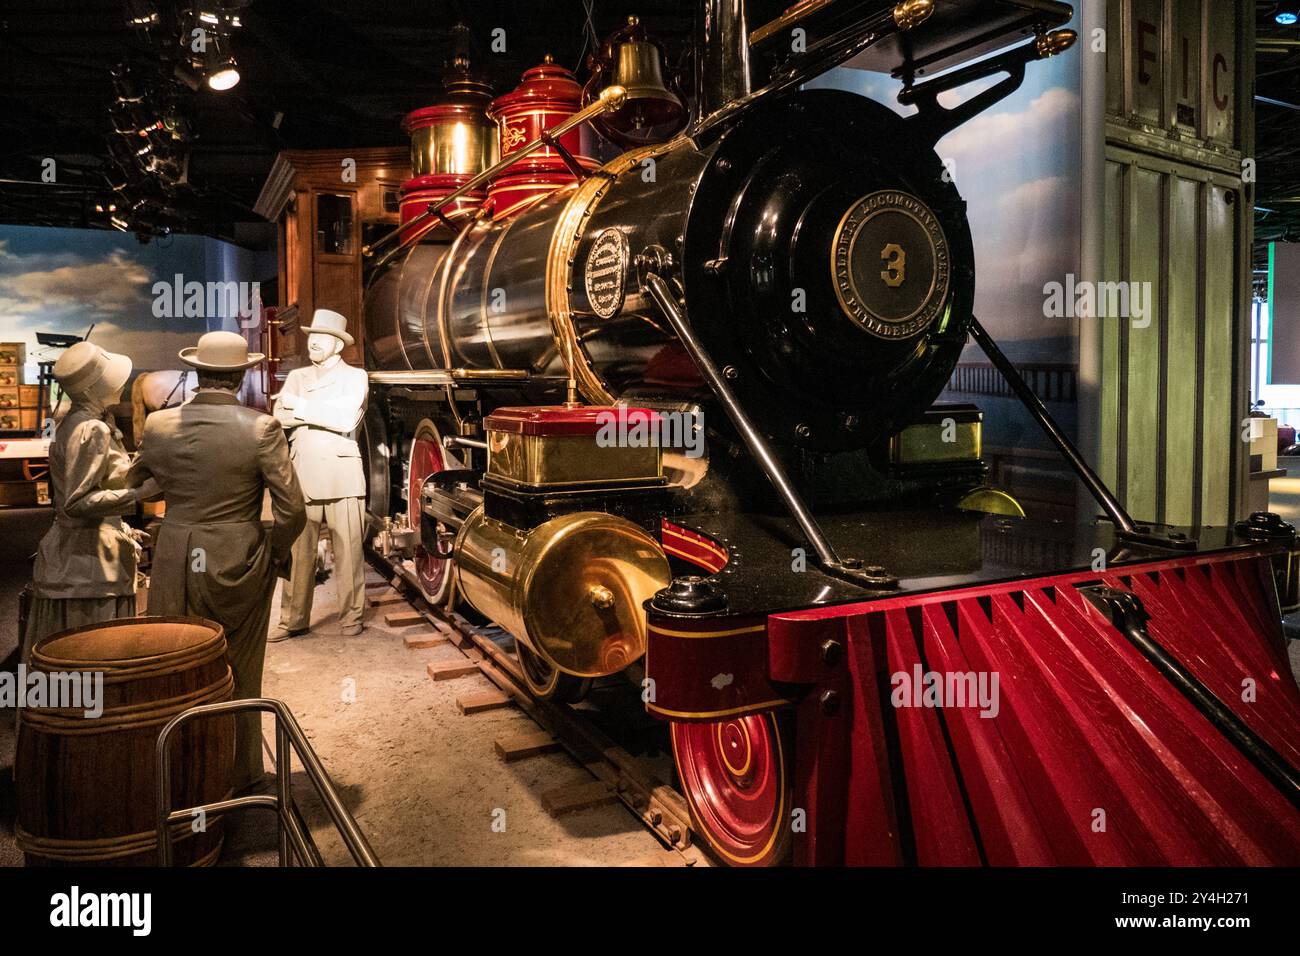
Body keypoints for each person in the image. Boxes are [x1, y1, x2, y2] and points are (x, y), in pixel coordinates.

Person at [127, 331, 305, 794]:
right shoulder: (261, 428)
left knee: (177, 665)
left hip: (175, 556)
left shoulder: (159, 425)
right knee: (240, 668)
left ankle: (183, 775)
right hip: (237, 557)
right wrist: (274, 552)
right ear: (240, 376)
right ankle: (240, 773)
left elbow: (138, 482)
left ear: (198, 374)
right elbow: (292, 510)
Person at [22, 342, 158, 661]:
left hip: (81, 554)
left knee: (74, 653)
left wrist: (121, 526)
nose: (120, 383)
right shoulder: (91, 429)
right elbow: (77, 502)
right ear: (95, 387)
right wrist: (142, 492)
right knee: (93, 651)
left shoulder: (75, 422)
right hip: (87, 563)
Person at [272, 309, 370, 640]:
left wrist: (301, 408)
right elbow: (279, 417)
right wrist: (323, 412)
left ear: (338, 345)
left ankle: (352, 618)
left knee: (349, 554)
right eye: (311, 336)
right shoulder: (297, 377)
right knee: (298, 554)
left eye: (321, 337)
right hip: (302, 473)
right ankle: (292, 620)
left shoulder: (356, 377)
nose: (313, 341)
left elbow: (346, 419)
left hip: (343, 476)